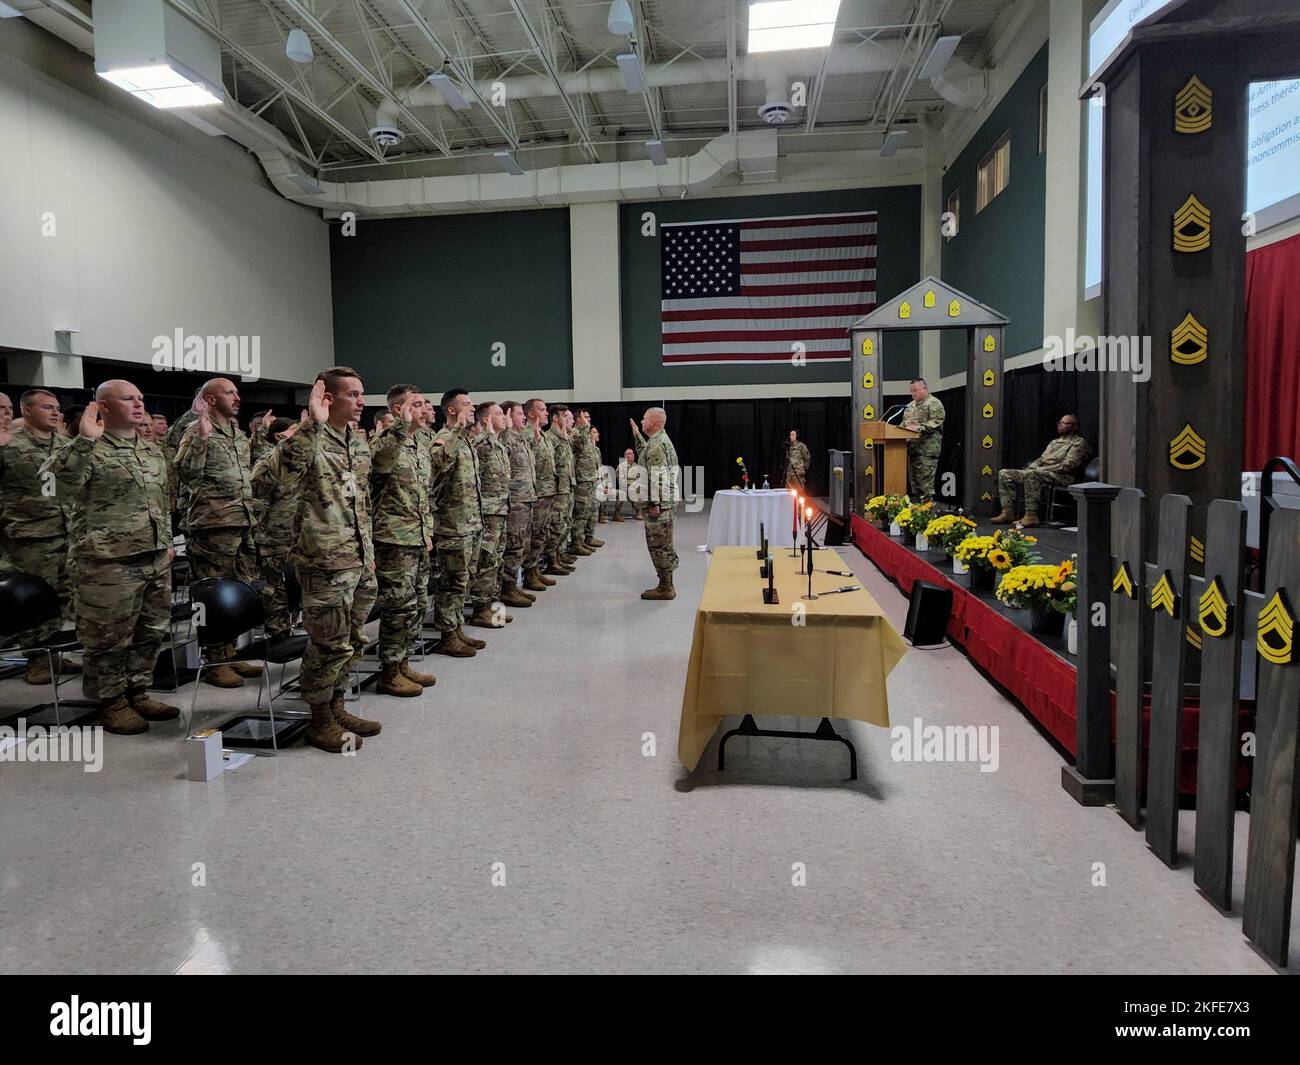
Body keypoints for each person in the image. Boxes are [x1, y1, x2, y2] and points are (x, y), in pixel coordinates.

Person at [43, 382, 178, 733]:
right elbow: (54, 486)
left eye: (141, 398)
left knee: (150, 631)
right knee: (108, 638)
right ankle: (111, 700)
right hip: (107, 562)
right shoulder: (87, 448)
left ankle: (137, 689)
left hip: (153, 556)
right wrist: (85, 441)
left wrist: (165, 541)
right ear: (102, 405)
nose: (138, 403)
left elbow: (160, 502)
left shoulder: (150, 451)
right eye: (128, 398)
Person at [278, 368, 382, 752]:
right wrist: (310, 427)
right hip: (324, 561)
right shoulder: (306, 438)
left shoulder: (357, 442)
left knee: (352, 640)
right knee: (327, 644)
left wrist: (368, 554)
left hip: (357, 559)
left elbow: (360, 504)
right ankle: (319, 719)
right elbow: (267, 480)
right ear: (327, 398)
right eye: (353, 394)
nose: (361, 402)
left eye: (361, 393)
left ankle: (337, 705)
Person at [175, 378, 260, 688]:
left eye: (237, 392)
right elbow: (185, 473)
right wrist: (200, 439)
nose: (237, 397)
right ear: (209, 400)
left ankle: (230, 655)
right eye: (229, 392)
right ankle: (213, 661)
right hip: (211, 525)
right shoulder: (196, 432)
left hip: (242, 521)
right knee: (212, 596)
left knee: (238, 592)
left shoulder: (238, 435)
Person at [0, 389, 77, 684]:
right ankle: (36, 659)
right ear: (27, 410)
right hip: (27, 537)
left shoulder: (66, 445)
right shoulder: (9, 445)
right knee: (33, 599)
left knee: (60, 597)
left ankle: (53, 654)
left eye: (57, 408)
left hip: (66, 531)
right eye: (47, 407)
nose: (56, 412)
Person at [368, 386, 437, 696]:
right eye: (416, 404)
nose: (423, 409)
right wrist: (398, 428)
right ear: (398, 409)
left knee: (417, 603)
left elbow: (424, 493)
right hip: (393, 539)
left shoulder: (418, 443)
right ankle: (389, 671)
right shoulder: (385, 442)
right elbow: (379, 462)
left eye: (424, 404)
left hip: (417, 535)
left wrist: (428, 532)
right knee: (397, 607)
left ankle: (403, 661)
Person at [429, 388, 485, 657]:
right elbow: (437, 465)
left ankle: (457, 628)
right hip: (453, 525)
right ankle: (447, 636)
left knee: (464, 581)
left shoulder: (465, 441)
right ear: (452, 410)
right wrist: (457, 432)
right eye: (466, 404)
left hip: (471, 523)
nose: (473, 408)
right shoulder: (444, 438)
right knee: (451, 583)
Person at [250, 416, 303, 642]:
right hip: (275, 536)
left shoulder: (301, 463)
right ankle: (276, 635)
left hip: (299, 537)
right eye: (294, 430)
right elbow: (255, 493)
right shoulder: (268, 461)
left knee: (295, 588)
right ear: (280, 436)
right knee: (277, 590)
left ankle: (292, 626)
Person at [992, 414, 1091, 528]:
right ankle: (1007, 512)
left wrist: (1040, 469)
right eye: (1060, 423)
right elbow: (1042, 459)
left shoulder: (1079, 442)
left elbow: (1068, 465)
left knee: (1032, 474)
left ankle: (1031, 515)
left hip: (1063, 476)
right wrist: (1034, 465)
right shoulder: (1054, 442)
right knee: (1004, 473)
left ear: (1074, 427)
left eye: (1065, 423)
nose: (1060, 425)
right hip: (1042, 472)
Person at [468, 401, 513, 629]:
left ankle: (493, 608)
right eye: (498, 414)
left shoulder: (498, 444)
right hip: (487, 512)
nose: (504, 417)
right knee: (486, 561)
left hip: (500, 510)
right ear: (485, 419)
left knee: (496, 560)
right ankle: (480, 609)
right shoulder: (481, 445)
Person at [497, 401, 537, 607]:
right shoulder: (505, 439)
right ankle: (508, 589)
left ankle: (515, 586)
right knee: (513, 546)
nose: (524, 418)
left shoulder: (520, 439)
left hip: (526, 499)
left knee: (523, 545)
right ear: (509, 416)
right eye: (520, 414)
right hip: (515, 501)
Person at [639, 406, 680, 600]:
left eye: (644, 419)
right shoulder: (660, 440)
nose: (642, 422)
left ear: (653, 422)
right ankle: (666, 583)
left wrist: (654, 503)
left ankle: (665, 587)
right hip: (667, 501)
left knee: (659, 546)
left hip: (659, 504)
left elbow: (656, 476)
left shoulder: (655, 445)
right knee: (665, 544)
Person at [522, 399, 557, 590]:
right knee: (534, 534)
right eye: (542, 410)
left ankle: (535, 570)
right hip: (536, 495)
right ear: (530, 414)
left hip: (548, 492)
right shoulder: (527, 435)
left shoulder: (542, 435)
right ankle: (529, 572)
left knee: (543, 533)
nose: (546, 413)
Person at [902, 378, 945, 504]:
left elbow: (936, 422)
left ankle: (926, 515)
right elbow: (904, 424)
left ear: (924, 389)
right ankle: (917, 515)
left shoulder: (934, 403)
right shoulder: (910, 406)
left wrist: (918, 428)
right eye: (911, 391)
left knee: (925, 486)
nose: (913, 393)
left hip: (926, 451)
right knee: (914, 485)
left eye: (915, 390)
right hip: (912, 449)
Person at [545, 405, 576, 573]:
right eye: (564, 416)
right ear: (555, 418)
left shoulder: (563, 438)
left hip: (566, 487)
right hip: (556, 490)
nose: (567, 419)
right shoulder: (550, 438)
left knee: (564, 523)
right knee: (556, 525)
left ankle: (559, 554)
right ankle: (552, 560)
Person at [569, 409, 602, 555]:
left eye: (588, 417)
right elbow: (578, 446)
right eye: (585, 417)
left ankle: (584, 539)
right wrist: (584, 428)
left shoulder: (586, 435)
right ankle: (576, 542)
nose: (588, 420)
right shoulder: (576, 433)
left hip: (590, 479)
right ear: (578, 420)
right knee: (581, 512)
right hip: (581, 480)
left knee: (588, 510)